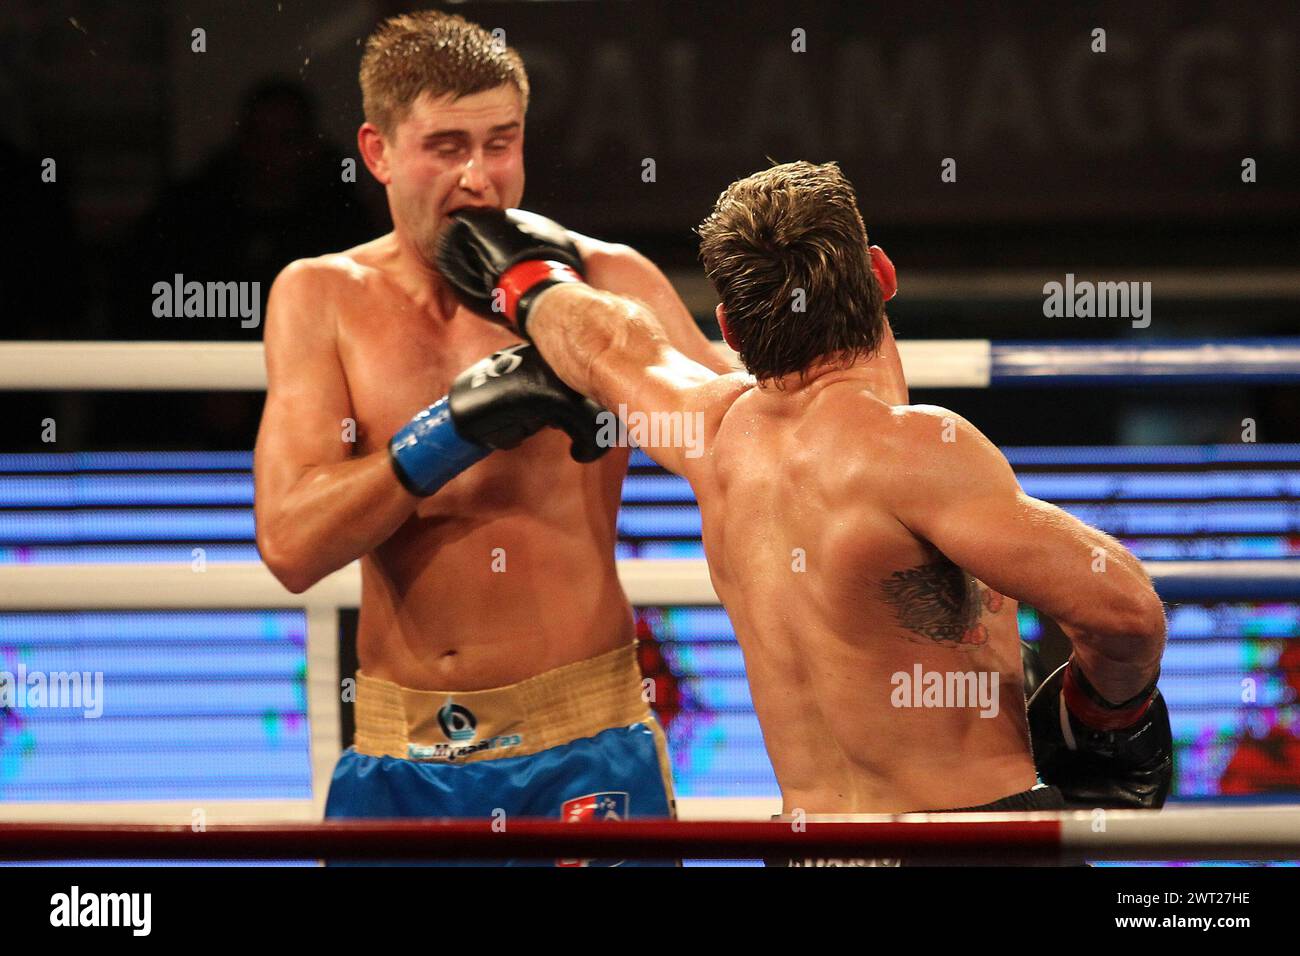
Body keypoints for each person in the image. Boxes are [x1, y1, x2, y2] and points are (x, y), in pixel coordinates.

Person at [431, 161, 1174, 831]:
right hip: (963, 840)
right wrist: (1104, 716)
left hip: (806, 844)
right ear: (881, 274)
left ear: (729, 328)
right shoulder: (916, 447)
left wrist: (531, 285)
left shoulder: (714, 437)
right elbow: (1126, 613)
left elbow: (611, 349)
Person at [252, 11, 731, 856]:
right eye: (445, 147)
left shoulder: (605, 283)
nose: (479, 177)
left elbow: (738, 448)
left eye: (500, 142)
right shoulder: (320, 298)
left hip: (587, 748)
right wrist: (448, 435)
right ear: (378, 151)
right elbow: (292, 543)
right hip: (399, 757)